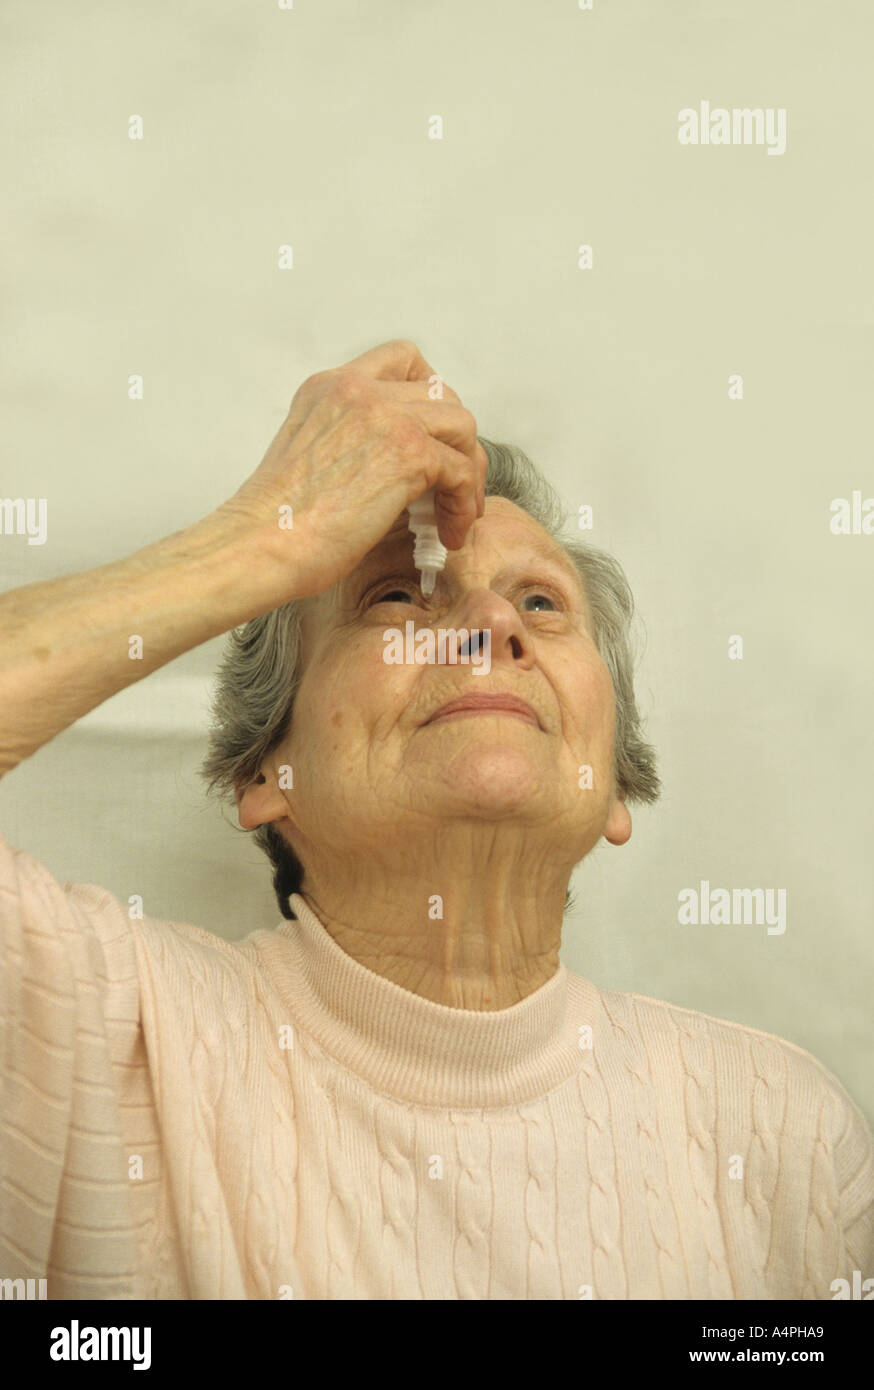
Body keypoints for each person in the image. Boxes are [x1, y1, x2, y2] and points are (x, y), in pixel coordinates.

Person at [0, 340, 871, 1300]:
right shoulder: (90, 1034)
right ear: (265, 771)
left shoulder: (782, 1136)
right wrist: (264, 538)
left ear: (615, 783)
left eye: (540, 602)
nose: (491, 625)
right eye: (397, 597)